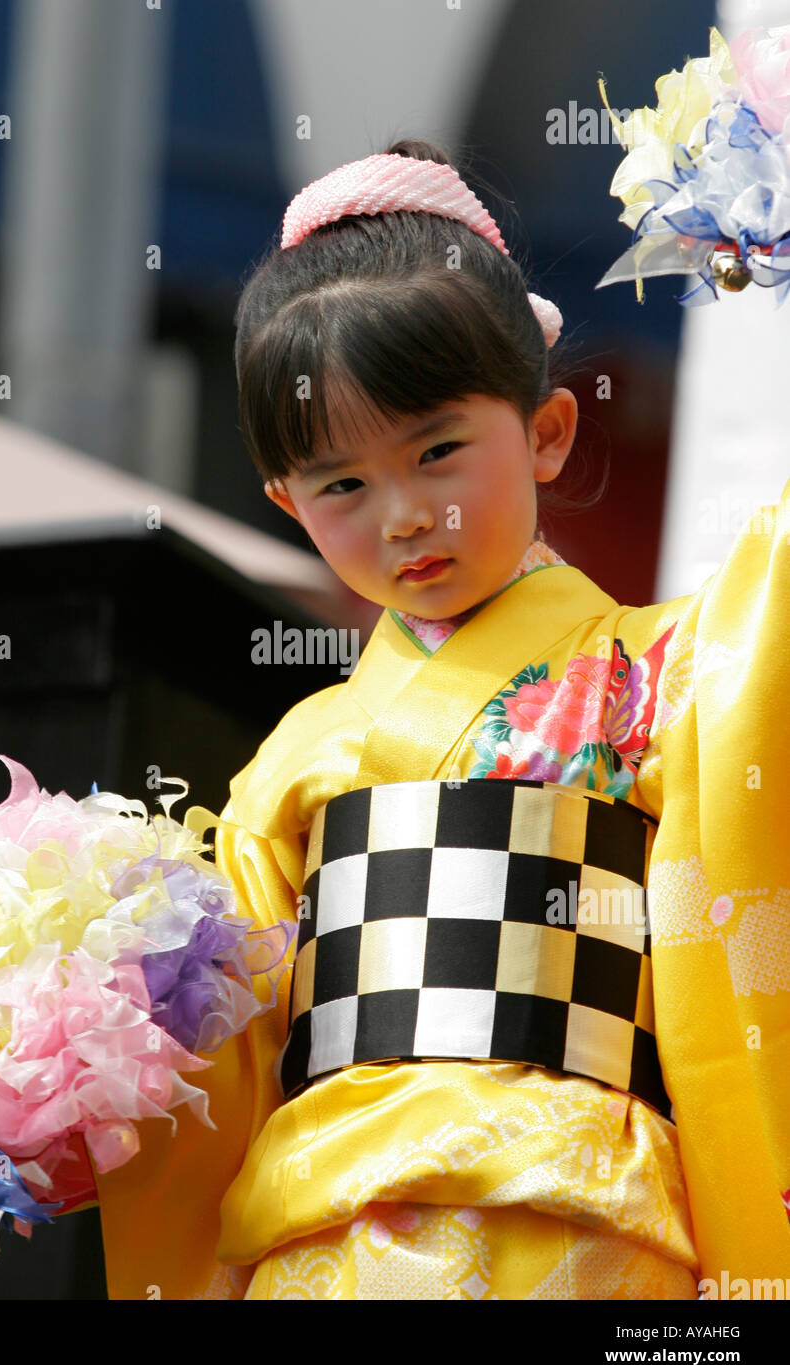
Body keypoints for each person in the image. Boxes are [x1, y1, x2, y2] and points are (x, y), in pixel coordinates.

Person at [93, 138, 790, 1300]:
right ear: (285, 501)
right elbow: (231, 1057)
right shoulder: (292, 762)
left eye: (438, 452)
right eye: (342, 485)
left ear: (549, 431)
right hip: (322, 1240)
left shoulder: (669, 674)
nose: (406, 516)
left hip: (578, 1226)